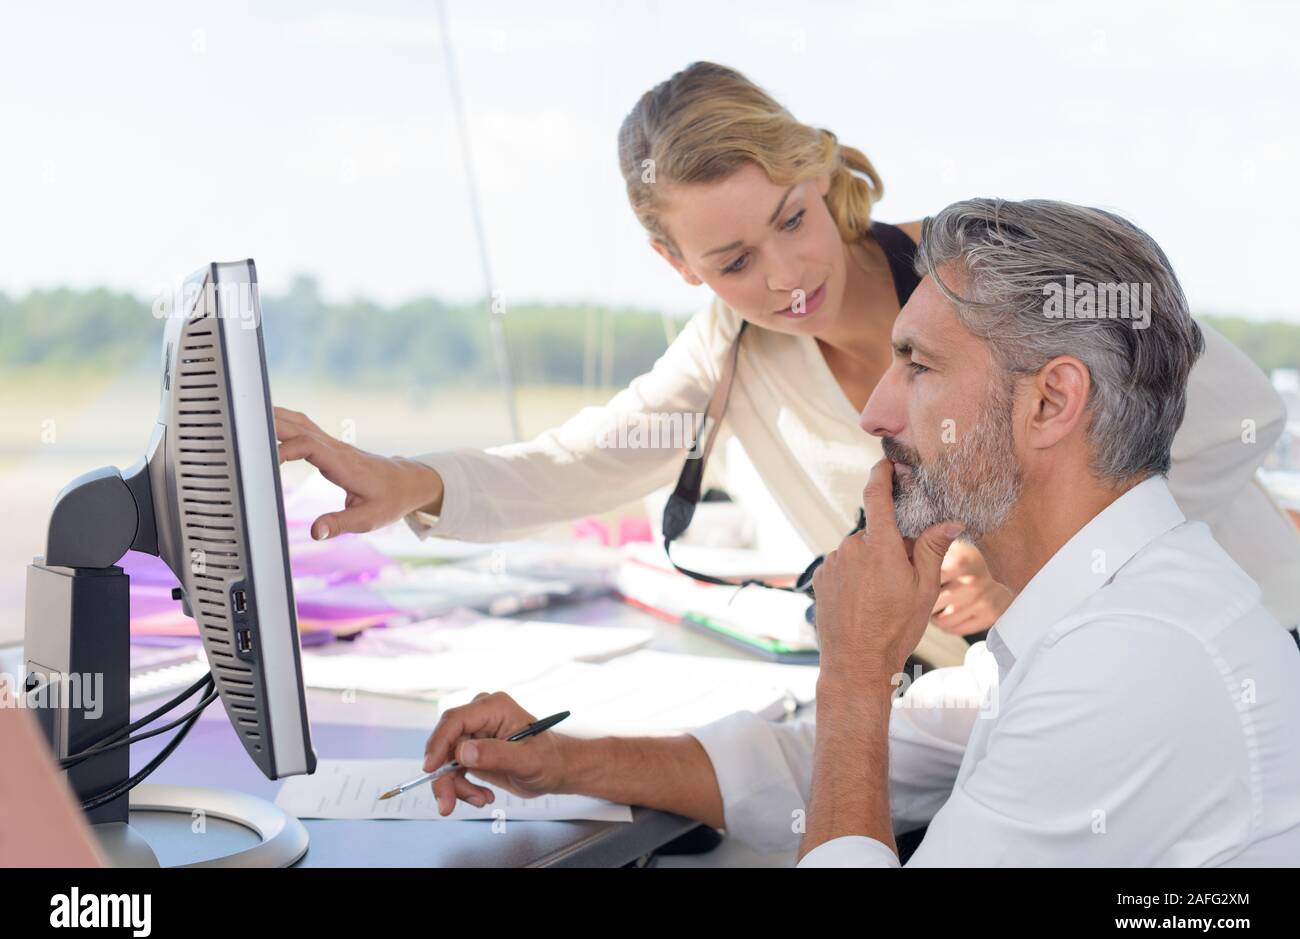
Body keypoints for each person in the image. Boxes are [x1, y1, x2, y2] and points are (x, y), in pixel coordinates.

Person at [274, 62, 1300, 640]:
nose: (784, 277)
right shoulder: (731, 353)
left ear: (818, 174)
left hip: (1241, 644)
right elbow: (579, 461)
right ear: (673, 262)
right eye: (730, 259)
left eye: (792, 219)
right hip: (1034, 696)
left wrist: (1035, 559)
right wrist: (405, 478)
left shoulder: (1004, 270)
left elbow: (1245, 419)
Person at [416, 199, 1300, 866]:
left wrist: (853, 667)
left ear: (1050, 402)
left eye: (916, 364)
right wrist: (564, 762)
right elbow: (816, 765)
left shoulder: (1126, 665)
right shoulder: (1094, 613)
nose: (876, 412)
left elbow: (848, 742)